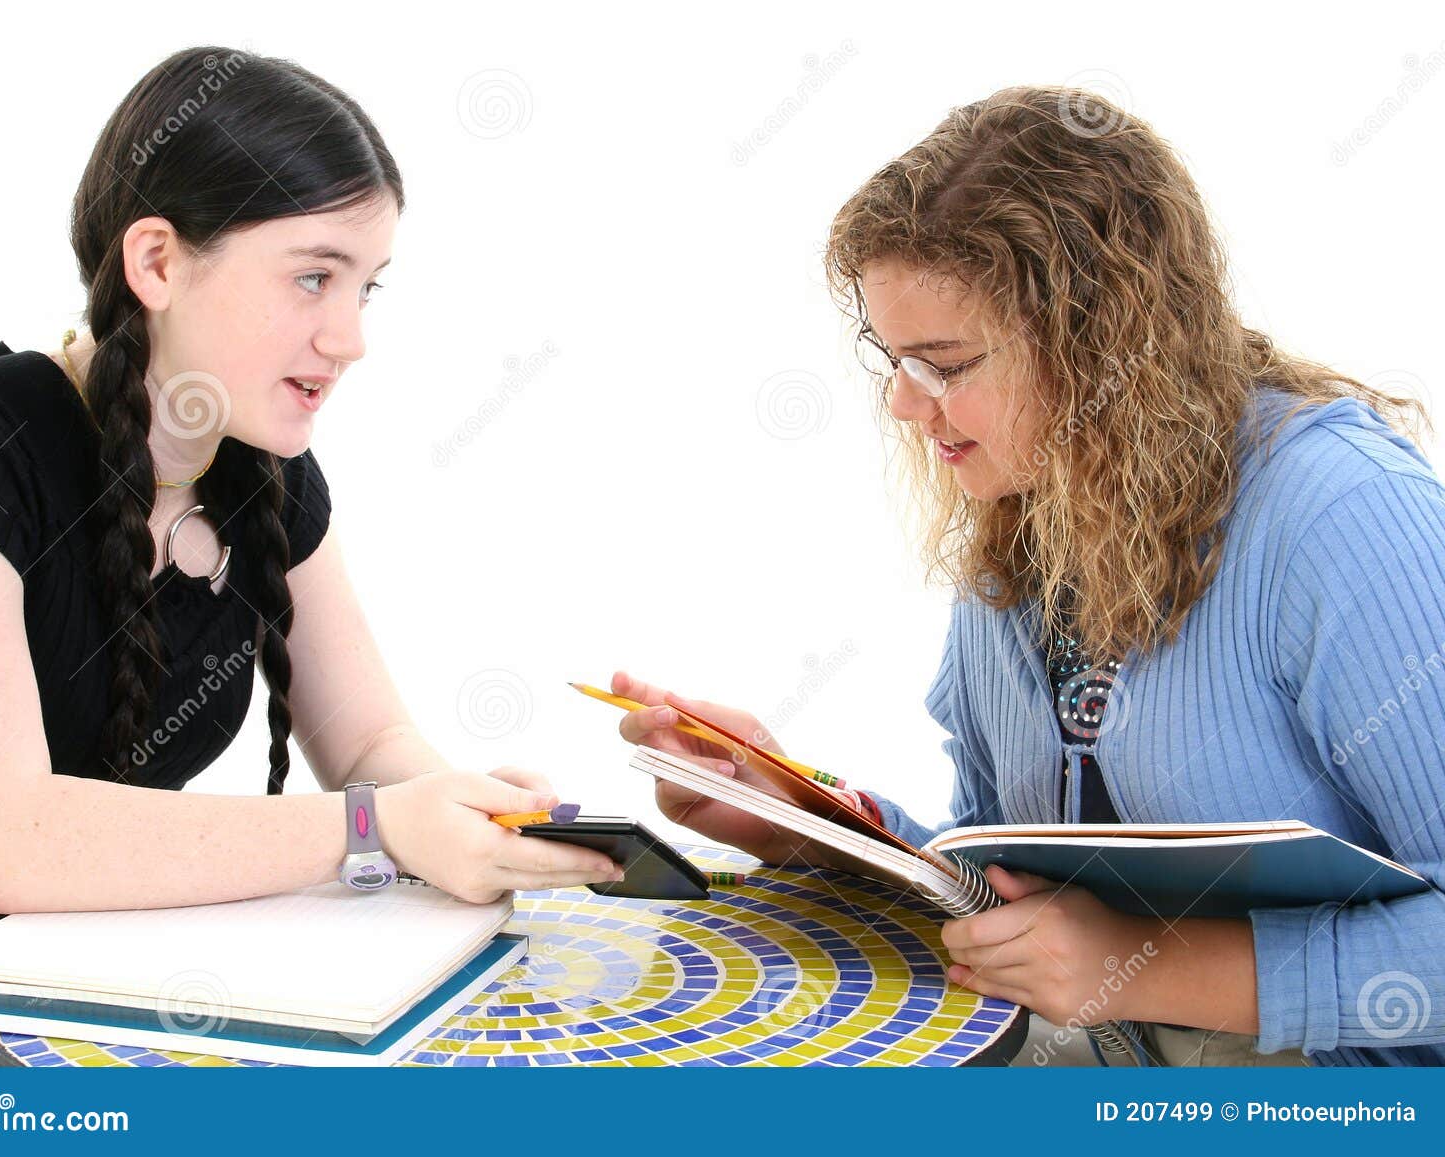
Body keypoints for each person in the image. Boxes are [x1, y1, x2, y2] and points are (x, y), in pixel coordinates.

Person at [618, 85, 1445, 1067]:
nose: (902, 406)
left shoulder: (1346, 517)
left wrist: (1142, 966)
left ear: (1100, 345)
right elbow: (1002, 883)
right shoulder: (1028, 515)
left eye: (946, 362)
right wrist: (802, 819)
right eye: (891, 358)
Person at [0, 45, 621, 1067]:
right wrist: (375, 831)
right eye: (312, 277)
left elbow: (370, 740)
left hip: (73, 1025)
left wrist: (468, 814)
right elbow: (11, 841)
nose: (349, 338)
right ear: (157, 261)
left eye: (366, 288)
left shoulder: (265, 477)